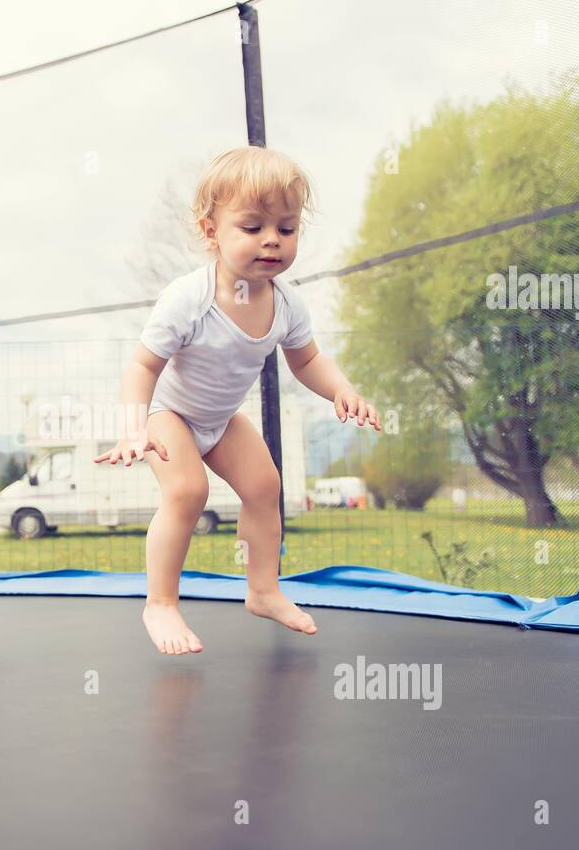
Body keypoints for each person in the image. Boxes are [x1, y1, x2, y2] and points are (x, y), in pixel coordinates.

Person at [94, 146, 382, 655]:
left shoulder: (288, 303)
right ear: (212, 232)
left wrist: (343, 390)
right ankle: (160, 603)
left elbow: (308, 360)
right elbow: (142, 368)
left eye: (286, 229)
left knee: (265, 485)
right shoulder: (189, 299)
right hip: (169, 413)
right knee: (187, 492)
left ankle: (263, 590)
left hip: (221, 419)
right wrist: (134, 430)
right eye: (252, 227)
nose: (271, 240)